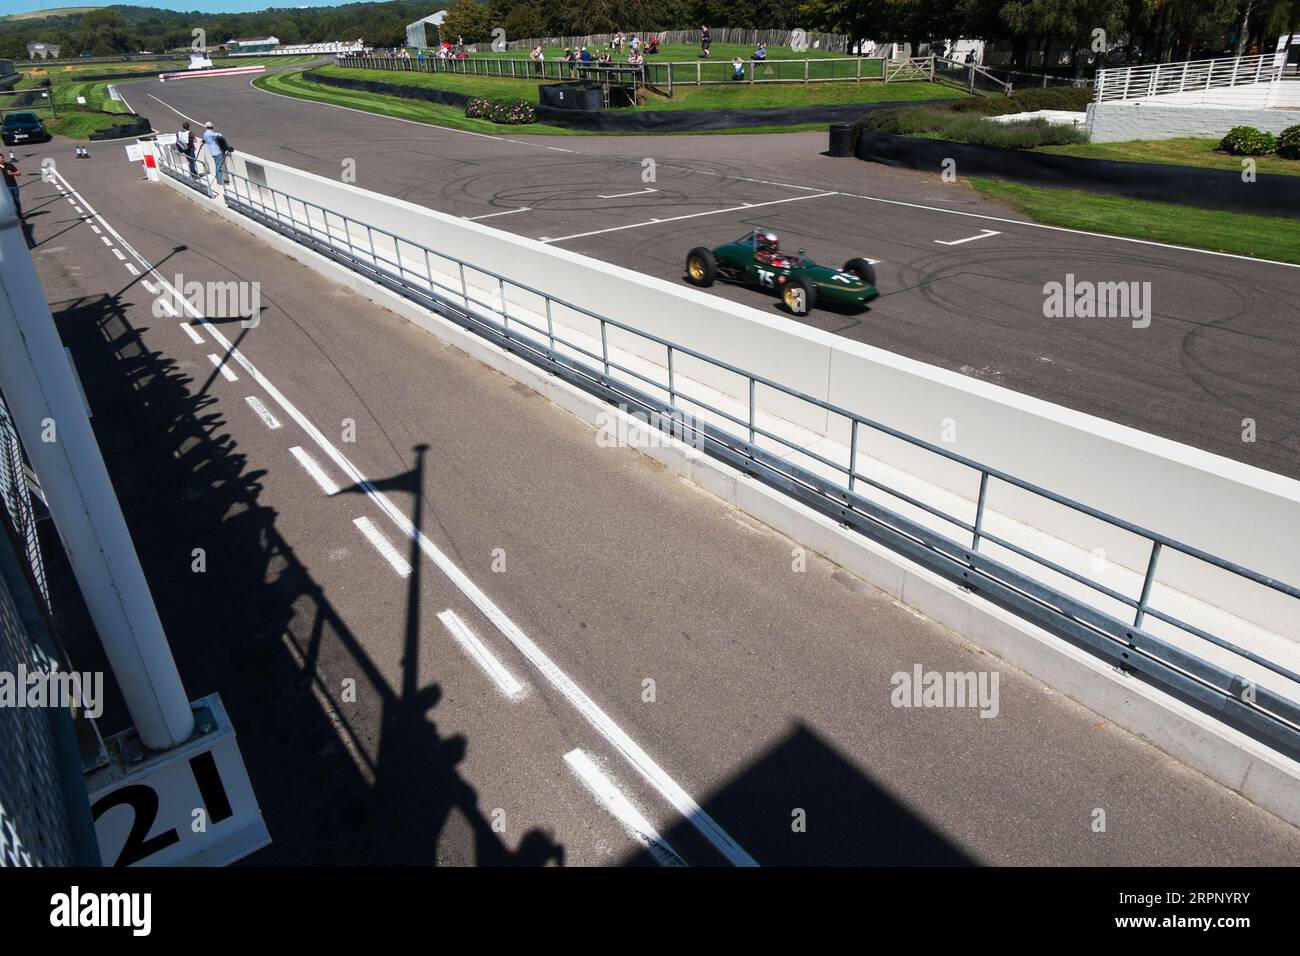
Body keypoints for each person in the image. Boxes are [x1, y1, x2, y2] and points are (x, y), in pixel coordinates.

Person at [202, 121, 233, 186]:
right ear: (211, 127)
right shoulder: (211, 134)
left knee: (217, 165)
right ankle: (219, 181)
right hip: (217, 152)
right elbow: (220, 134)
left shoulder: (205, 134)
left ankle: (218, 179)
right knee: (219, 166)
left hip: (212, 152)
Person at [2, 154, 20, 218]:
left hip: (13, 186)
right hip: (4, 188)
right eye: (0, 159)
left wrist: (13, 173)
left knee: (17, 202)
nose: (1, 160)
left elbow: (19, 173)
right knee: (11, 202)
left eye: (2, 158)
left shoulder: (9, 165)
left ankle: (20, 215)